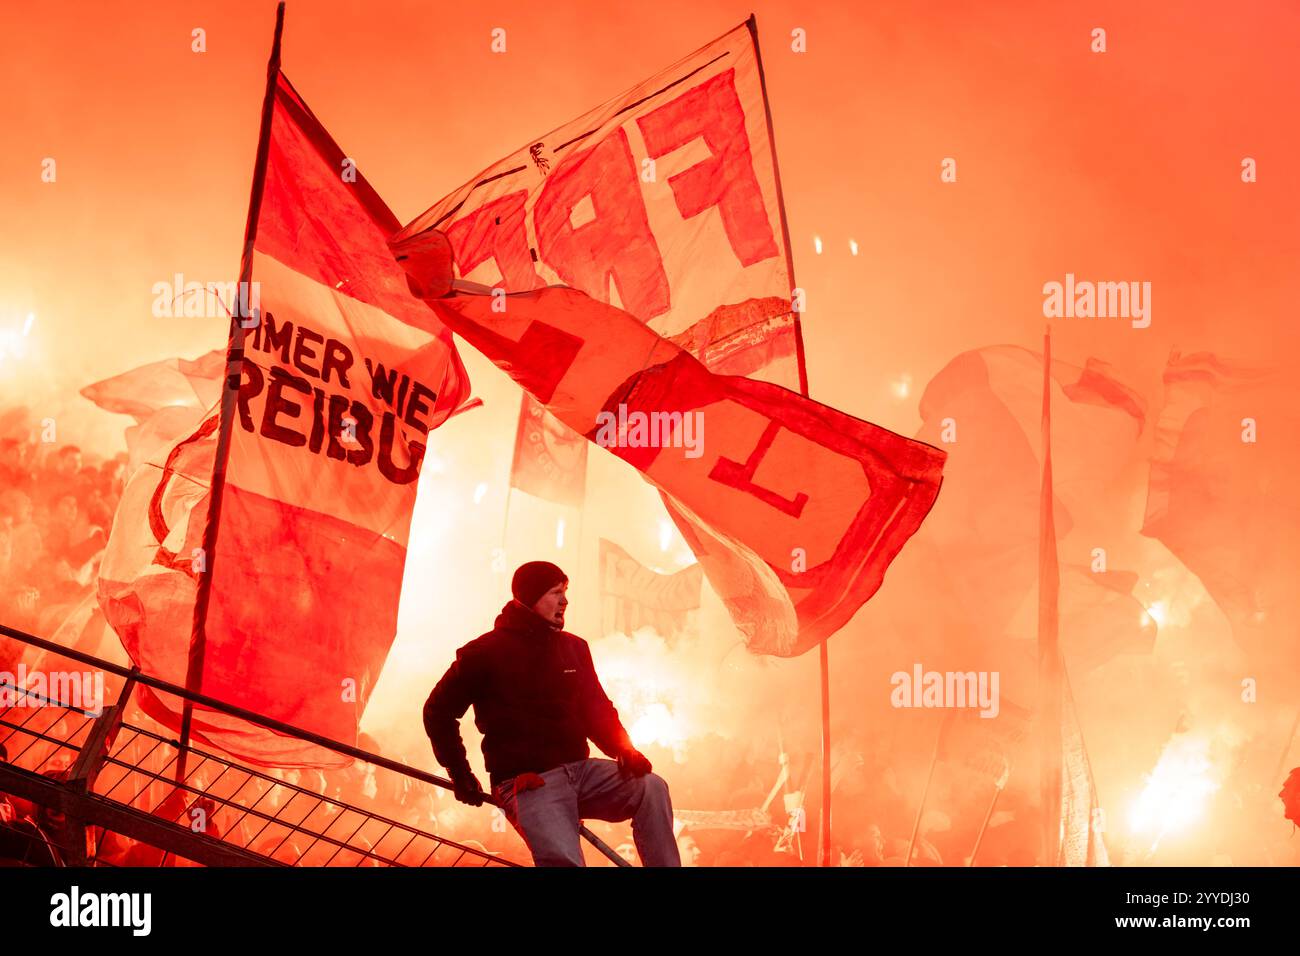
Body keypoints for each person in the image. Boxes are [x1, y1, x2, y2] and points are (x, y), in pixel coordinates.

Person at [423, 560, 680, 867]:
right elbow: (438, 711)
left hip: (581, 772)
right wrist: (460, 773)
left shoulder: (574, 647)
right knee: (564, 862)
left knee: (652, 787)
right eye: (556, 592)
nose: (565, 601)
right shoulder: (484, 652)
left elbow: (596, 707)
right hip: (527, 781)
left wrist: (624, 749)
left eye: (565, 592)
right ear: (530, 598)